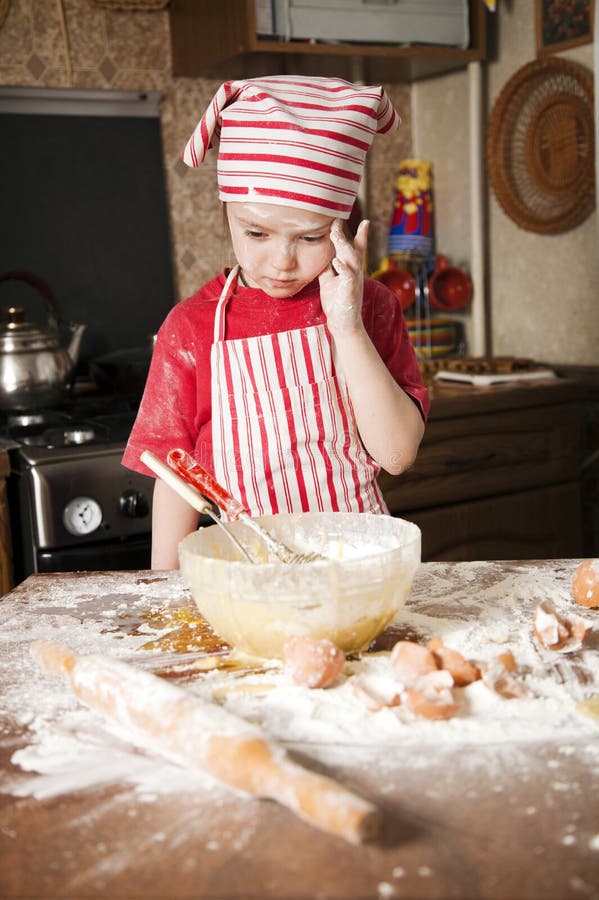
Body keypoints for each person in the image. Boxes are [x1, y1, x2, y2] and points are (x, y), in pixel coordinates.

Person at [122, 76, 430, 569]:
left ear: (344, 224)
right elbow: (175, 475)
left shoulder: (371, 307)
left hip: (363, 568)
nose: (281, 261)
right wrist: (167, 590)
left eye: (310, 238)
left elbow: (396, 455)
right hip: (248, 576)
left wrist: (347, 326)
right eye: (256, 231)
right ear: (227, 211)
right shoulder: (191, 328)